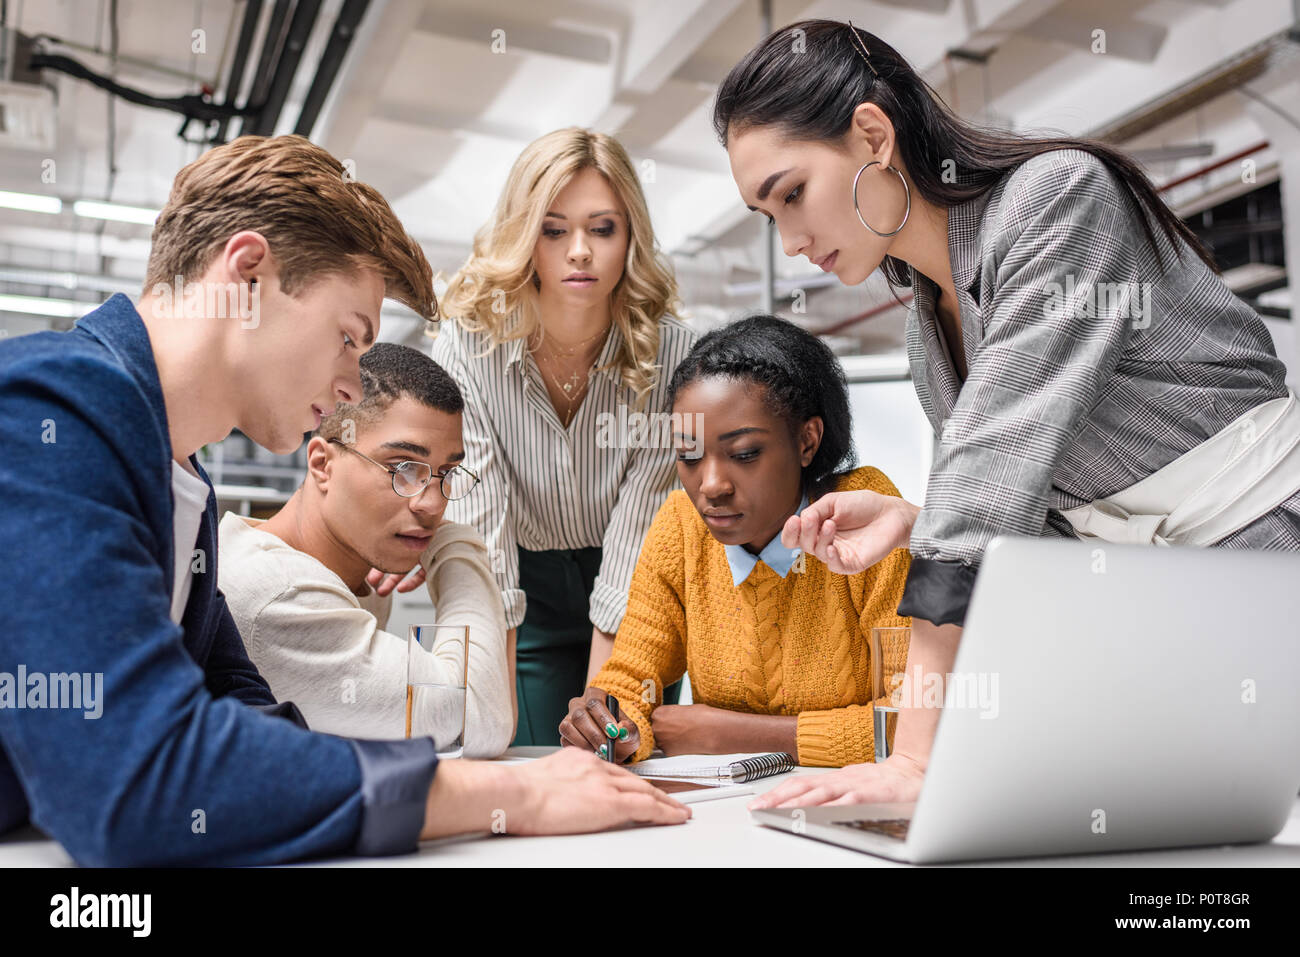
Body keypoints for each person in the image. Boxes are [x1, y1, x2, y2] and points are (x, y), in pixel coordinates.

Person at [0, 134, 688, 866]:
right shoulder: (53, 411)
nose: (354, 388)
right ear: (249, 276)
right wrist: (507, 798)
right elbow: (135, 779)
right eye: (350, 339)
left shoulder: (179, 482)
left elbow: (257, 719)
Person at [710, 20, 1300, 810]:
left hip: (1270, 569)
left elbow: (988, 488)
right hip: (1169, 619)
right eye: (765, 213)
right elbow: (1038, 512)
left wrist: (914, 757)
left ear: (873, 135)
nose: (788, 240)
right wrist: (917, 518)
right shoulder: (929, 333)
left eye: (792, 193)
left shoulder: (1057, 200)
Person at [428, 127, 694, 745]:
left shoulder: (671, 353)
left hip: (641, 593)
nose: (580, 250)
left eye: (602, 228)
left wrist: (604, 706)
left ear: (630, 237)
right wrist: (491, 728)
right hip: (523, 591)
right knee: (514, 753)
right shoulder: (470, 344)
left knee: (616, 754)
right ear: (526, 235)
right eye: (554, 229)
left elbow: (637, 533)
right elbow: (483, 530)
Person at [559, 316, 912, 767]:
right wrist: (613, 727)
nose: (711, 486)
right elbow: (632, 679)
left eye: (744, 454)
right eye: (688, 455)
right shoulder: (681, 527)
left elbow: (913, 720)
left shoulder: (866, 515)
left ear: (807, 440)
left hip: (848, 810)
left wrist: (726, 734)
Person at [218, 343, 514, 755]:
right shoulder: (280, 595)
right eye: (403, 468)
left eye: (446, 474)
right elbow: (478, 719)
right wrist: (456, 544)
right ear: (323, 464)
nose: (432, 504)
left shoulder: (348, 573)